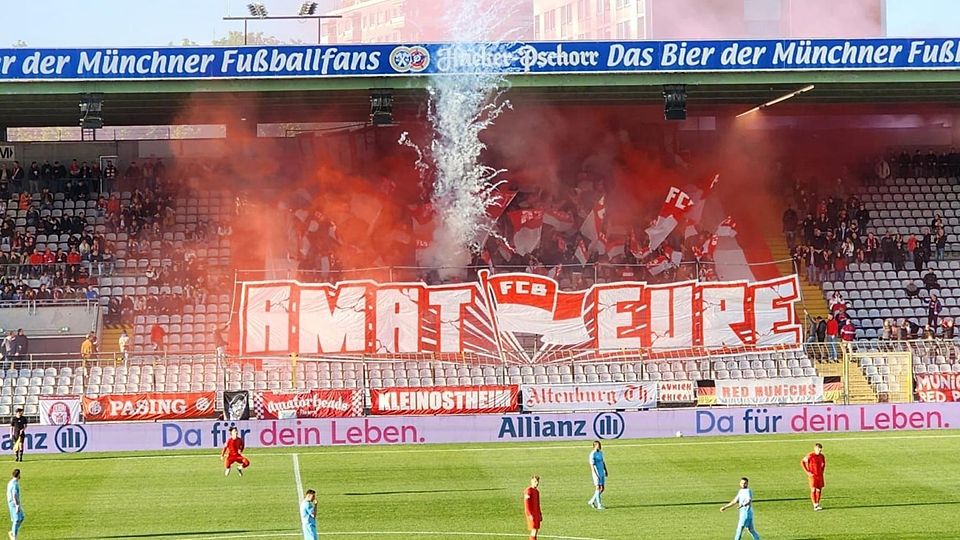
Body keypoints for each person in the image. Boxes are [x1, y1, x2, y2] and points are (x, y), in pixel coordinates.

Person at [801, 443, 826, 511]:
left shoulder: (822, 456)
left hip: (820, 475)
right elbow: (802, 462)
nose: (819, 450)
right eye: (818, 449)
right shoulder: (810, 455)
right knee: (813, 489)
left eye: (820, 449)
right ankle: (814, 504)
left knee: (819, 489)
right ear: (815, 449)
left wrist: (822, 471)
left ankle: (817, 504)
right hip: (812, 476)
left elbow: (823, 464)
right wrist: (807, 472)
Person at [587, 440, 607, 510]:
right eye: (598, 445)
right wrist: (595, 474)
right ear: (595, 446)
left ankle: (592, 501)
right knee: (598, 487)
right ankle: (599, 505)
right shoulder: (592, 454)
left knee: (602, 488)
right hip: (596, 472)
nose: (599, 446)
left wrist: (606, 470)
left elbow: (603, 462)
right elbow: (592, 465)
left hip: (601, 472)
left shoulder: (601, 453)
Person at [523, 475, 542, 540]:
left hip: (536, 514)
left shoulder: (537, 492)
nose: (536, 483)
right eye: (535, 481)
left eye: (537, 481)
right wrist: (529, 514)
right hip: (531, 515)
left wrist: (540, 514)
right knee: (533, 531)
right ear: (531, 481)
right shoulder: (528, 491)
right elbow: (526, 505)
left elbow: (538, 504)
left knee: (536, 531)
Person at [6, 469, 22, 540]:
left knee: (22, 517)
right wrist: (17, 505)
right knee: (17, 520)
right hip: (14, 503)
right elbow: (14, 495)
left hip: (11, 502)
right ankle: (13, 536)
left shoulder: (10, 482)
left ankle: (13, 532)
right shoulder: (14, 484)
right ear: (18, 475)